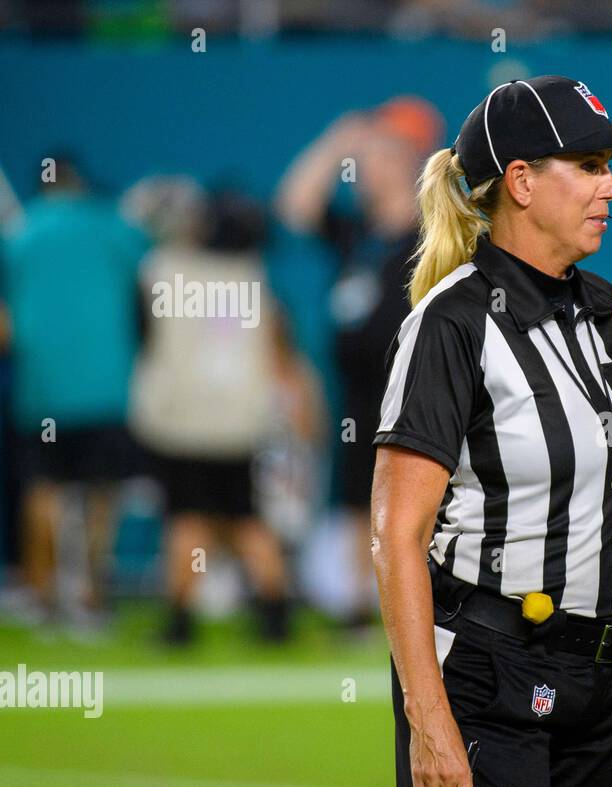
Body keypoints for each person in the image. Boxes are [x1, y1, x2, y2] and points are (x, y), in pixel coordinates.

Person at [370, 76, 612, 787]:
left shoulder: (601, 306)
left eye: (610, 165)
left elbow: (605, 488)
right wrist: (429, 723)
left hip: (601, 687)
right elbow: (396, 539)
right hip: (487, 680)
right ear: (523, 182)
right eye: (592, 163)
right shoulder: (450, 323)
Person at [276, 96, 443, 636]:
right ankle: (358, 608)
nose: (363, 169)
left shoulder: (432, 232)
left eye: (375, 157)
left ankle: (432, 608)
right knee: (356, 499)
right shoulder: (357, 233)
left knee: (424, 499)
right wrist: (335, 143)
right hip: (356, 387)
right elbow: (293, 206)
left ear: (404, 160)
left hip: (416, 384)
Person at [127, 184, 291, 644]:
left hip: (181, 421)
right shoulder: (251, 277)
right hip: (240, 420)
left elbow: (142, 333)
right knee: (247, 517)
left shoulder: (160, 269)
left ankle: (179, 623)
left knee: (186, 517)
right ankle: (276, 618)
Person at [0, 154, 148, 634]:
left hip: (42, 392)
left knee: (44, 489)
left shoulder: (19, 237)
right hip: (107, 390)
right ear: (79, 183)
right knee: (101, 495)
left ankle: (42, 598)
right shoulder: (113, 227)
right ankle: (89, 599)